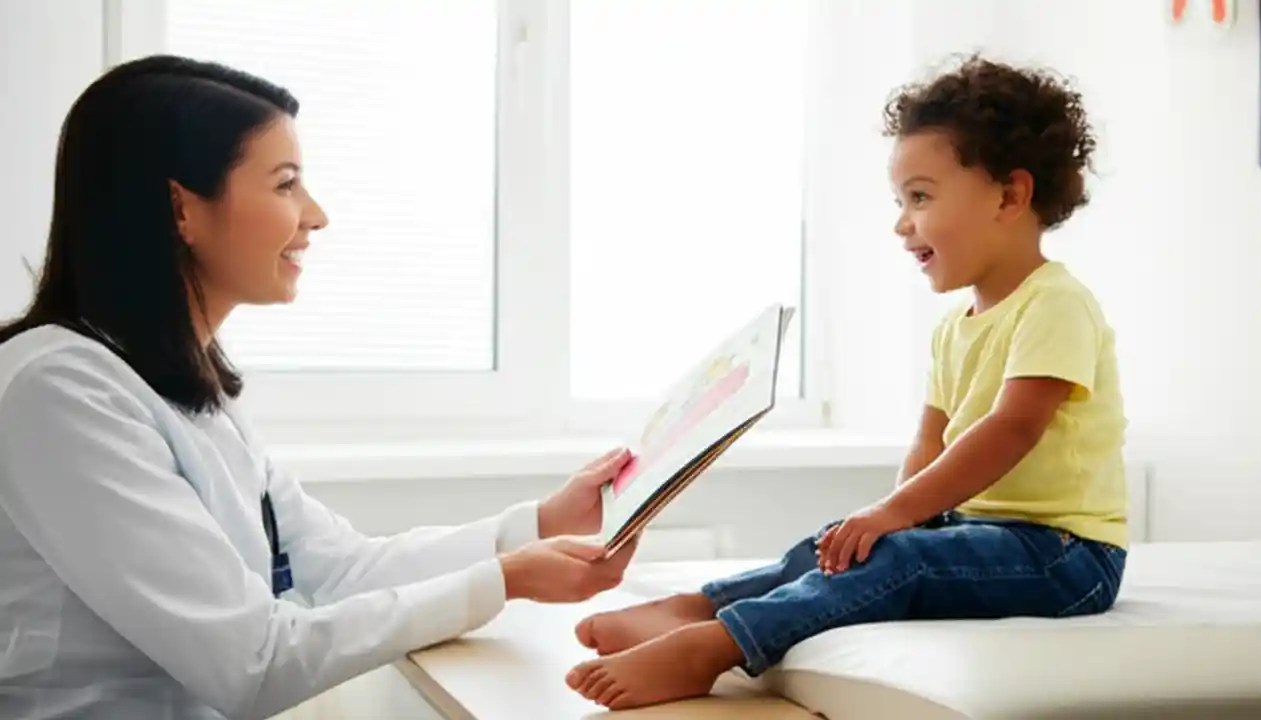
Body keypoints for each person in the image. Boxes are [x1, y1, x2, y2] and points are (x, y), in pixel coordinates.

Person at [0, 55, 638, 719]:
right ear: (179, 208)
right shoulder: (60, 393)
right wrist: (505, 581)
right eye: (284, 186)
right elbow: (254, 664)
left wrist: (537, 528)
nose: (316, 216)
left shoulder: (183, 388)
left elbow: (337, 571)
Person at [567, 55, 1130, 711]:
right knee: (835, 547)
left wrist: (898, 524)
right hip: (978, 532)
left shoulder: (1056, 304)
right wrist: (891, 522)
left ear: (1009, 196)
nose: (901, 223)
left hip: (1065, 557)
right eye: (900, 201)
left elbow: (1011, 430)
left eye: (920, 197)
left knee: (904, 561)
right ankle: (698, 607)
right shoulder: (956, 328)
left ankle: (717, 646)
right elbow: (931, 440)